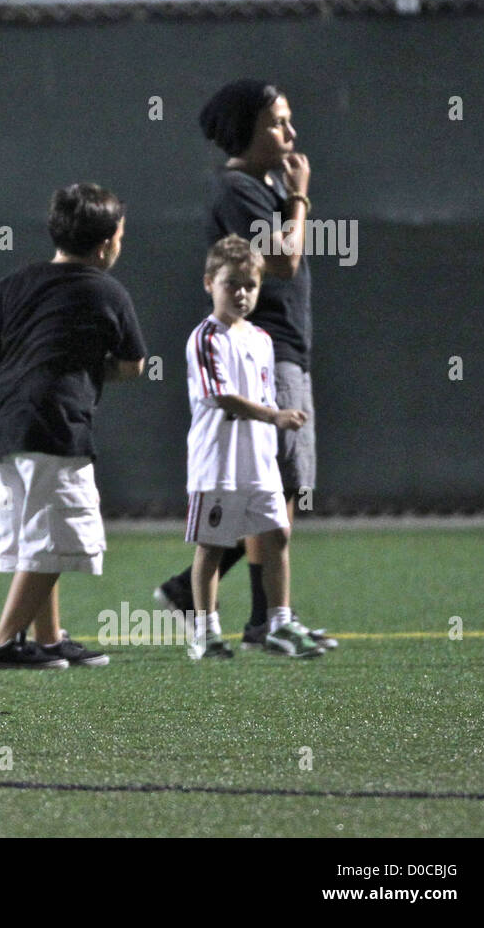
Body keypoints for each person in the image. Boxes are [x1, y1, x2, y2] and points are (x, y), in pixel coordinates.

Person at [154, 79, 337, 651]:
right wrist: (301, 196)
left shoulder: (262, 185)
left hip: (280, 346)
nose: (290, 134)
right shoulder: (239, 187)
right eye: (277, 124)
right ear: (246, 133)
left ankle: (216, 600)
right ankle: (263, 619)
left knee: (272, 488)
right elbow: (281, 261)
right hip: (269, 348)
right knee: (276, 487)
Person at [0, 183, 145, 668]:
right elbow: (132, 365)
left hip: (6, 428)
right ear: (105, 245)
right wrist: (87, 364)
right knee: (57, 540)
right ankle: (1, 643)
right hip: (56, 426)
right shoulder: (108, 291)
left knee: (39, 535)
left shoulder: (14, 284)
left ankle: (49, 639)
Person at [184, 236, 324, 659]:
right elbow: (222, 396)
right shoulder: (206, 338)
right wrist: (275, 416)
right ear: (210, 283)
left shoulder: (262, 338)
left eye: (250, 285)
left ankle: (279, 625)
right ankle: (205, 633)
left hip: (259, 463)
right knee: (213, 545)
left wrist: (271, 428)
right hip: (219, 462)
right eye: (232, 284)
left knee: (278, 534)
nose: (242, 293)